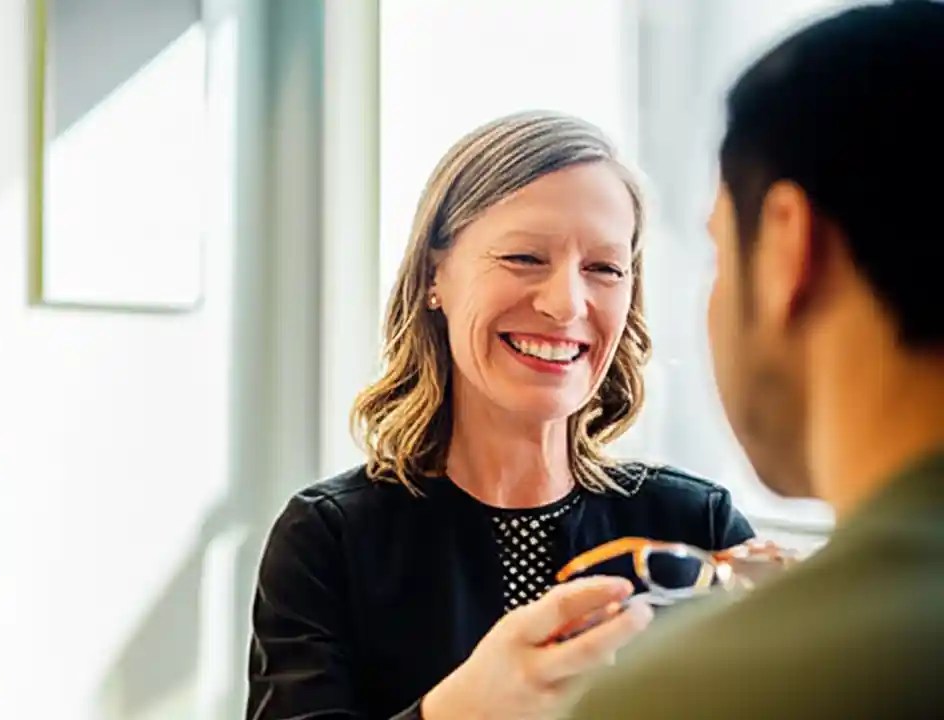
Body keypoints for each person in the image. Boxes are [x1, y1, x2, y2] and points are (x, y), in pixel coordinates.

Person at [245, 110, 756, 720]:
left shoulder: (696, 529)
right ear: (436, 276)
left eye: (604, 268)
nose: (567, 304)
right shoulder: (327, 542)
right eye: (523, 257)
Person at [564, 2, 944, 718]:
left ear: (786, 248)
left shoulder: (685, 695)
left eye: (716, 250)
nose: (565, 304)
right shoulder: (329, 531)